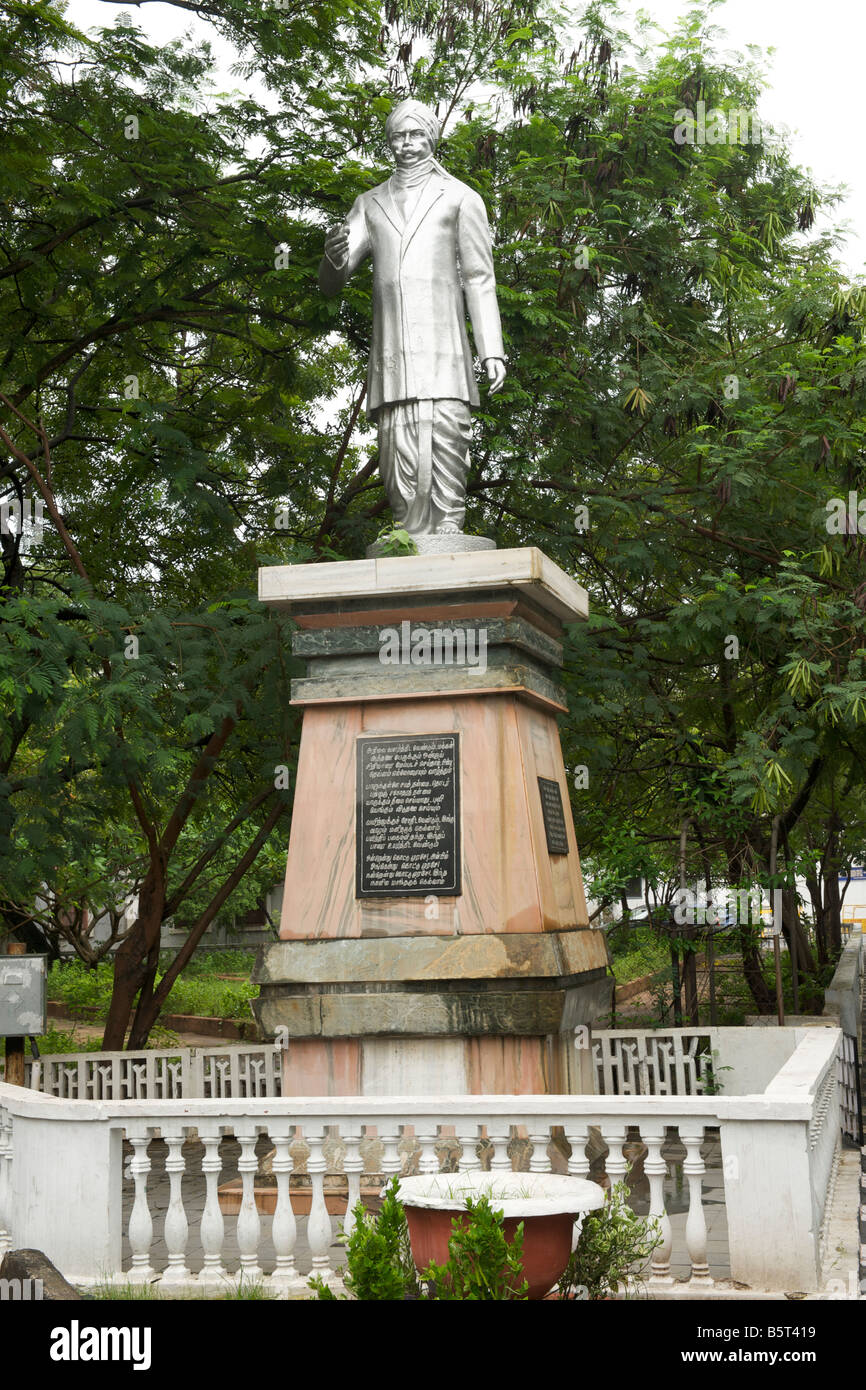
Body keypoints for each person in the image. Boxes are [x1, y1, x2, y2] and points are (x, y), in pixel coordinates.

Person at [319, 98, 506, 538]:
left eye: (416, 134)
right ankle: (407, 527)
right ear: (389, 142)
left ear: (431, 137)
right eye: (399, 136)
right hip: (392, 347)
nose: (407, 144)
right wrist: (331, 258)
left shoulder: (461, 197)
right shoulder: (369, 203)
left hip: (444, 344)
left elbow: (479, 278)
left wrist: (492, 351)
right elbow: (333, 281)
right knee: (396, 434)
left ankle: (448, 522)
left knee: (445, 426)